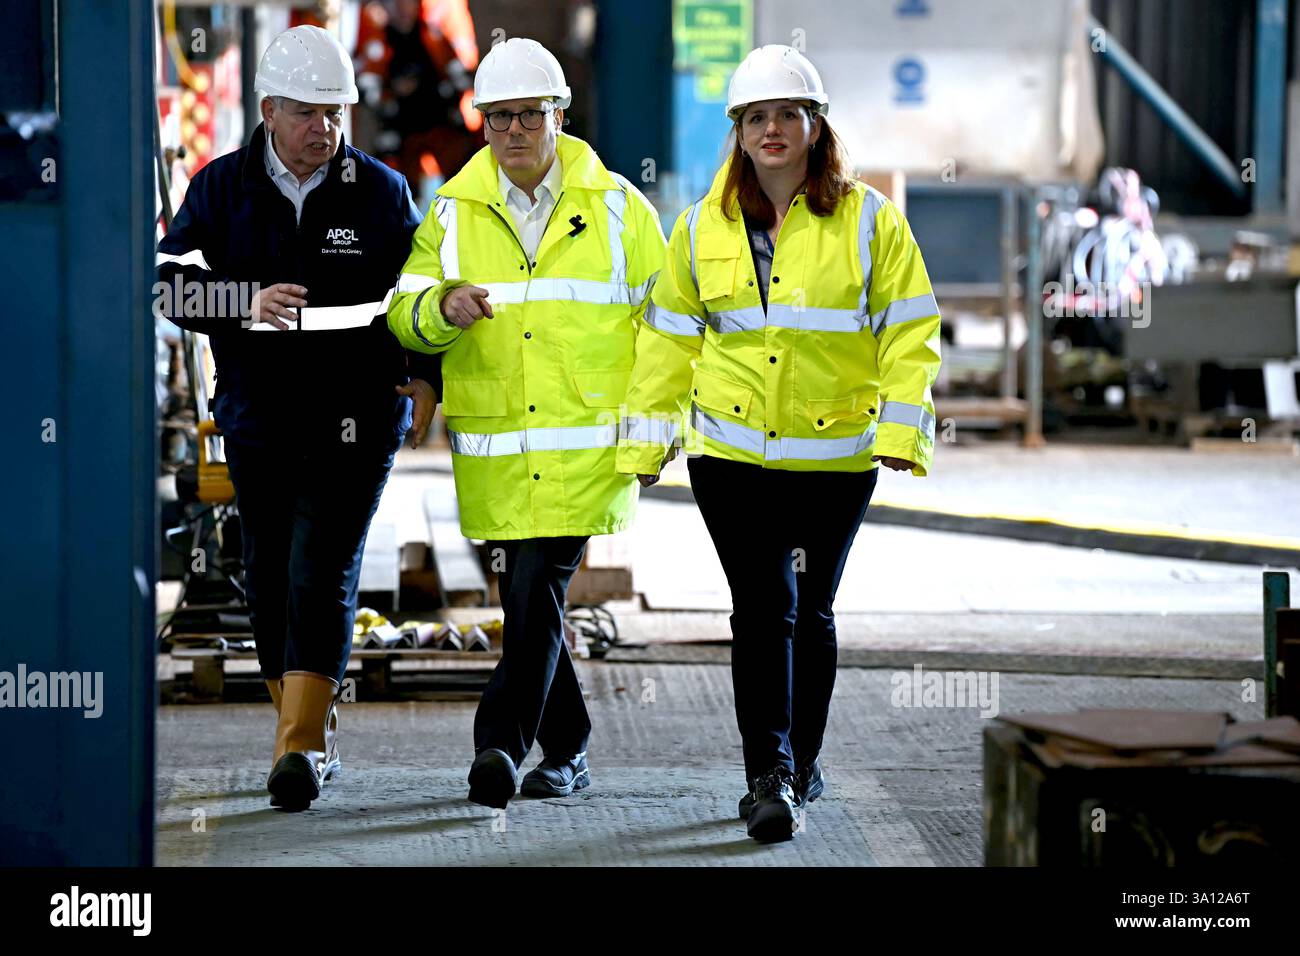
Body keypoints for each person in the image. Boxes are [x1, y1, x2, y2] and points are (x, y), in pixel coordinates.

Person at [616, 45, 942, 842]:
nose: (771, 130)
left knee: (813, 611)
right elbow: (667, 339)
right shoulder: (700, 226)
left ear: (814, 126)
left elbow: (910, 330)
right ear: (738, 131)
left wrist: (903, 429)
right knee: (764, 610)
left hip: (833, 462)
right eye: (755, 118)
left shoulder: (870, 221)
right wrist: (647, 442)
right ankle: (770, 776)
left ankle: (802, 758)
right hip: (731, 462)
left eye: (786, 116)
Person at [155, 24, 439, 811]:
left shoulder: (380, 193)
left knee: (322, 569)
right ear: (270, 109)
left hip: (356, 423)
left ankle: (300, 746)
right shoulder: (219, 189)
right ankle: (303, 725)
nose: (325, 128)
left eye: (336, 113)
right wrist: (241, 303)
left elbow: (418, 293)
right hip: (258, 418)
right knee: (271, 575)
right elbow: (168, 287)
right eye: (309, 112)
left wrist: (422, 377)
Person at [387, 37, 666, 809]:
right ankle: (568, 749)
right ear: (481, 123)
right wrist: (441, 307)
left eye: (529, 116)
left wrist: (654, 431)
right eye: (499, 117)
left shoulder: (618, 210)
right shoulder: (451, 213)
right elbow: (402, 313)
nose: (514, 131)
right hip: (498, 448)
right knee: (529, 600)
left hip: (585, 449)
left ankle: (499, 748)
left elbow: (669, 329)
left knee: (538, 583)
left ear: (560, 117)